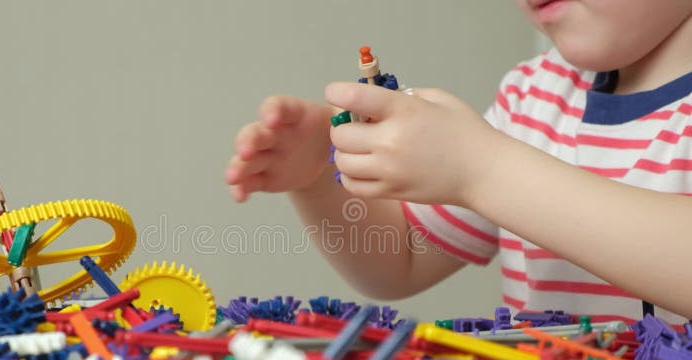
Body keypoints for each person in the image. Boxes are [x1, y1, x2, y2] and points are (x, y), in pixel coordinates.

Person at [224, 0, 692, 323]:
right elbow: (400, 260)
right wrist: (323, 176)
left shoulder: (495, 157)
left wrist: (485, 171)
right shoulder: (533, 96)